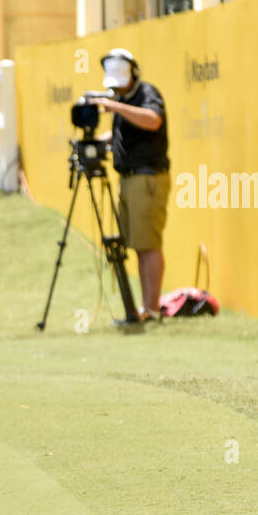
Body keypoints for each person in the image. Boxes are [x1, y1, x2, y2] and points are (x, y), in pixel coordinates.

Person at [93, 47, 169, 320]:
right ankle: (146, 307)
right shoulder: (124, 99)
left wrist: (114, 106)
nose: (118, 91)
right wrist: (98, 141)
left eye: (121, 85)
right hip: (128, 179)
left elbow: (152, 120)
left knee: (148, 244)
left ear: (133, 75)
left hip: (146, 177)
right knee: (138, 243)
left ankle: (152, 309)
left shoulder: (146, 93)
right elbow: (123, 136)